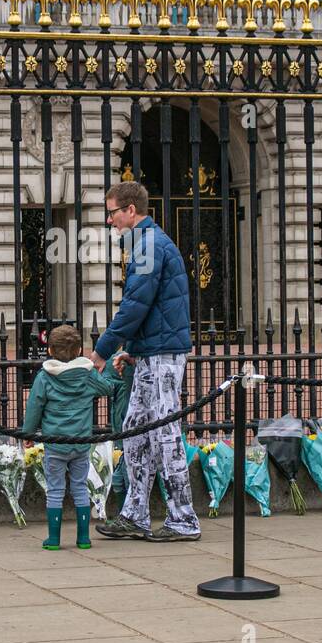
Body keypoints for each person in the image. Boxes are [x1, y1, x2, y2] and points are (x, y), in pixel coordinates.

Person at [89, 181, 199, 542]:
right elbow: (152, 307)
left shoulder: (149, 246)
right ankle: (135, 514)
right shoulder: (147, 244)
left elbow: (135, 306)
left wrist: (103, 350)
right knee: (135, 430)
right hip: (152, 353)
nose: (110, 221)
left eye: (113, 212)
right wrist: (133, 350)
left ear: (131, 210)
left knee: (165, 433)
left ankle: (183, 519)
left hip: (164, 356)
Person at [21, 324, 126, 550]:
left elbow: (34, 407)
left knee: (55, 489)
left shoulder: (44, 377)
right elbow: (107, 389)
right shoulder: (87, 375)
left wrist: (28, 433)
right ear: (79, 350)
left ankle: (54, 539)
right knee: (80, 487)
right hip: (80, 442)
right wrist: (108, 368)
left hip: (55, 443)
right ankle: (83, 538)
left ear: (49, 350)